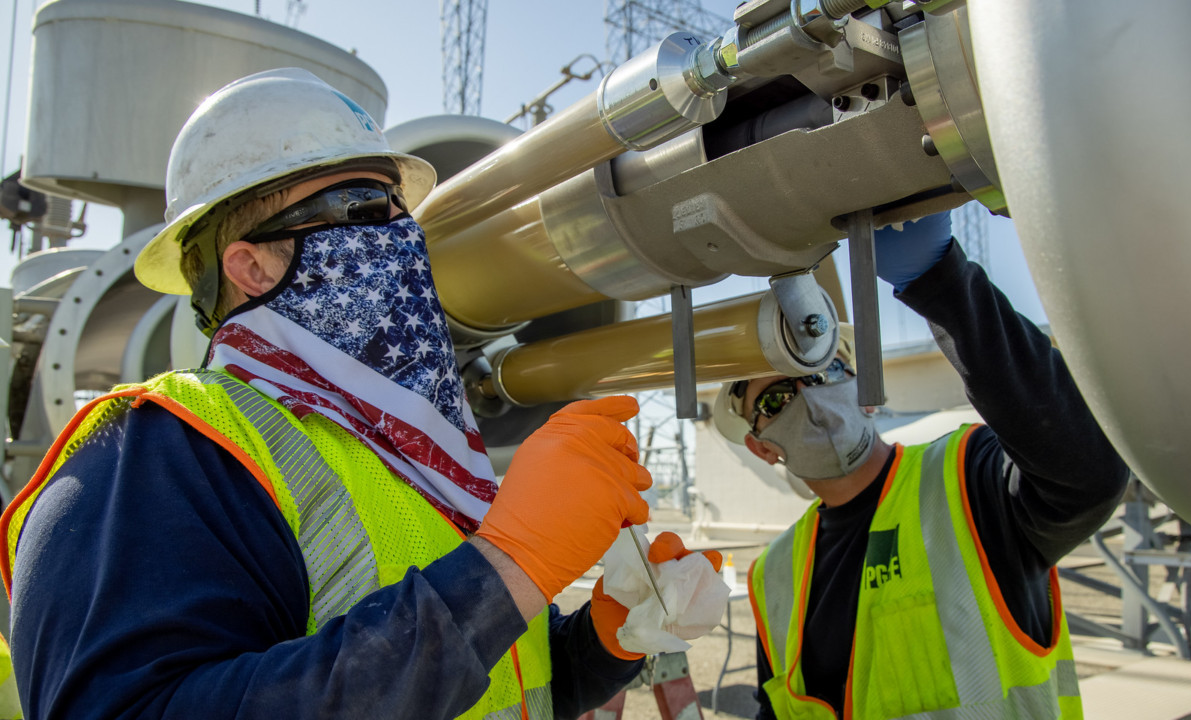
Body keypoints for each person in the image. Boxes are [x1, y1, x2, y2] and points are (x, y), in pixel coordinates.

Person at [0, 68, 715, 720]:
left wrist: (603, 640)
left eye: (400, 209)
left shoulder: (410, 450)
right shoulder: (162, 449)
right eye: (365, 206)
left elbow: (490, 685)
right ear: (251, 266)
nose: (403, 235)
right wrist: (508, 567)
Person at [713, 213, 1130, 719]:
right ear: (761, 448)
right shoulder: (773, 576)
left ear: (866, 392)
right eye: (777, 398)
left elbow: (1089, 473)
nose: (811, 397)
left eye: (825, 370)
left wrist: (941, 282)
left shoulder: (969, 482)